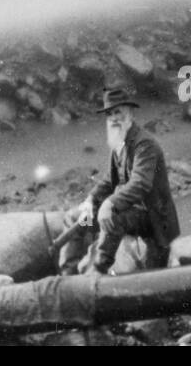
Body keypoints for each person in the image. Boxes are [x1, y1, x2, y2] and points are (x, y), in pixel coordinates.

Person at [59, 87, 179, 275]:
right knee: (76, 217)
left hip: (151, 215)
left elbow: (141, 183)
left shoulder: (144, 144)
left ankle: (96, 275)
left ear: (130, 113)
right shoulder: (119, 141)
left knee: (112, 221)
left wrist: (109, 203)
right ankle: (67, 276)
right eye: (109, 114)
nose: (114, 118)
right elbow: (110, 180)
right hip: (128, 208)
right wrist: (90, 199)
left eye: (118, 112)